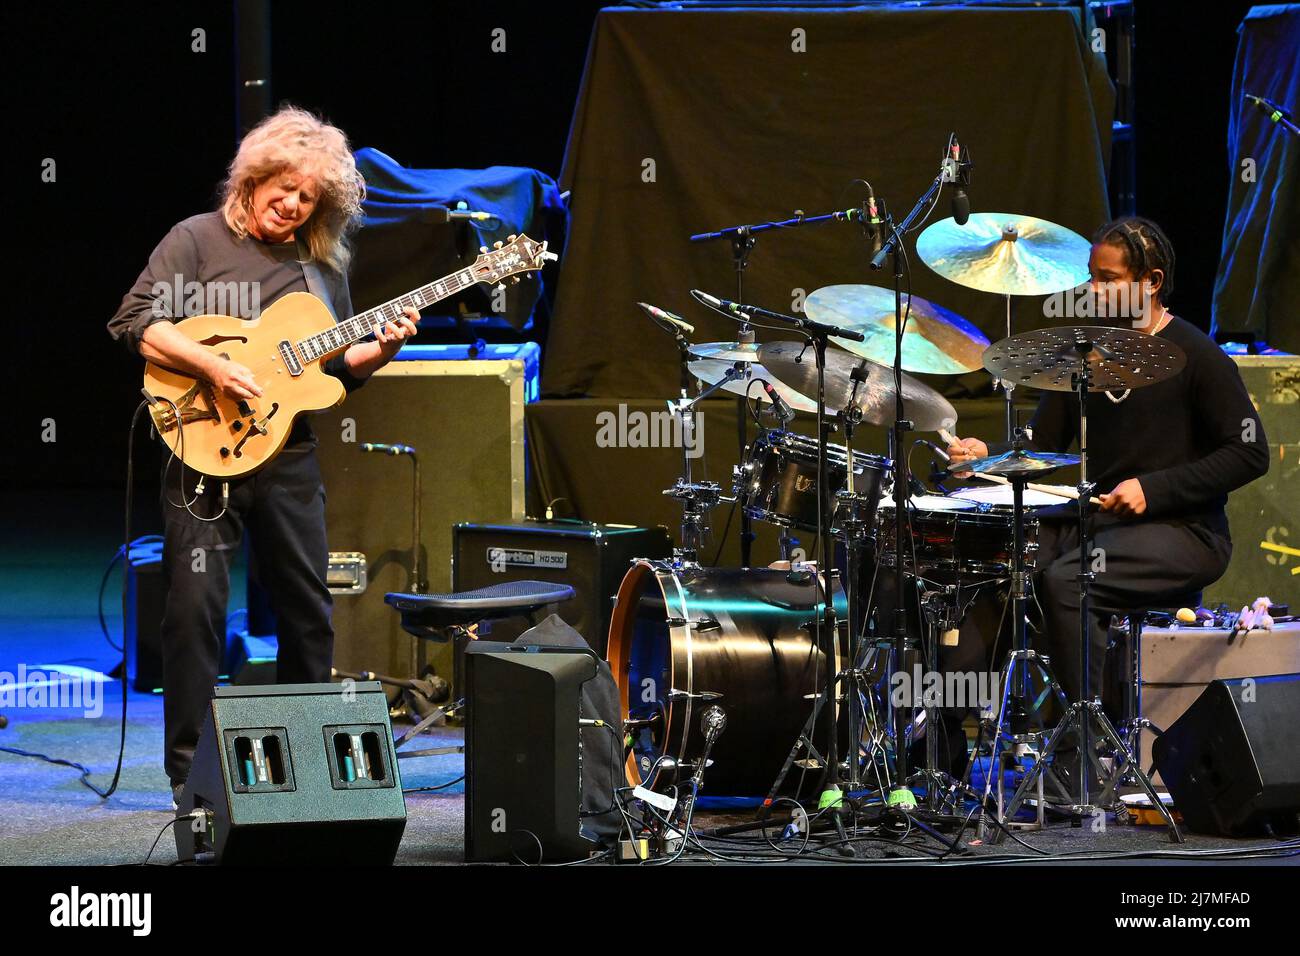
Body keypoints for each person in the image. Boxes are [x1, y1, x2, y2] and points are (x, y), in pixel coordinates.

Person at [107, 107, 420, 806]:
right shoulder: (195, 239)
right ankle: (191, 779)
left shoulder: (320, 268)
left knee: (309, 610)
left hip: (288, 458)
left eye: (309, 197)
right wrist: (214, 367)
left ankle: (306, 769)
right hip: (201, 451)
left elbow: (332, 374)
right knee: (195, 611)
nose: (294, 204)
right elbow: (136, 322)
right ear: (253, 179)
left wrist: (380, 351)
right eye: (285, 187)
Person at [945, 216, 1269, 786]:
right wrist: (987, 455)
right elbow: (1042, 445)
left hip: (1184, 532)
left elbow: (1248, 453)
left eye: (1107, 278)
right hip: (1097, 525)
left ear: (1151, 281)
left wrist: (1154, 488)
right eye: (1090, 276)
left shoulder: (1197, 355)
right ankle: (942, 743)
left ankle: (1085, 750)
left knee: (1070, 581)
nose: (1092, 289)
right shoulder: (1083, 354)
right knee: (1001, 563)